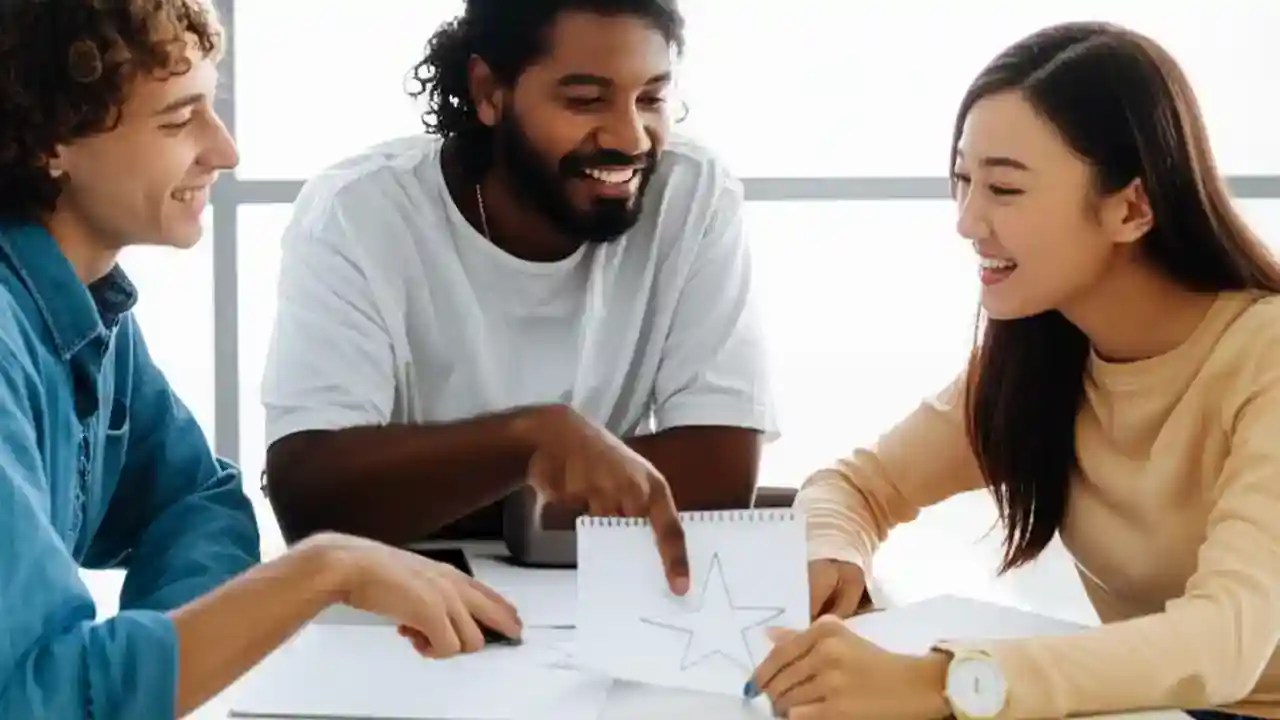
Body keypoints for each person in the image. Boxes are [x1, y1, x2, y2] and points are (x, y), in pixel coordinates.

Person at [748, 21, 1280, 720]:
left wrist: (944, 684)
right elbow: (856, 486)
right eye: (963, 179)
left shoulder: (1262, 357)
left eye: (1003, 188)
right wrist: (833, 554)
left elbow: (1224, 642)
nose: (968, 221)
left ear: (1132, 206)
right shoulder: (1043, 356)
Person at [0, 2, 520, 716]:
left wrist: (168, 663)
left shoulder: (89, 313)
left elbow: (193, 502)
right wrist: (323, 569)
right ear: (47, 143)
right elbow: (41, 699)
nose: (224, 151)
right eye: (179, 121)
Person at [259, 0, 775, 593]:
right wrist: (532, 441)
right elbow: (314, 502)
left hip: (602, 594)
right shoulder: (359, 212)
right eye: (585, 100)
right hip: (403, 600)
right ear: (488, 91)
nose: (631, 137)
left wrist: (438, 488)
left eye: (652, 98)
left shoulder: (693, 194)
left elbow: (720, 474)